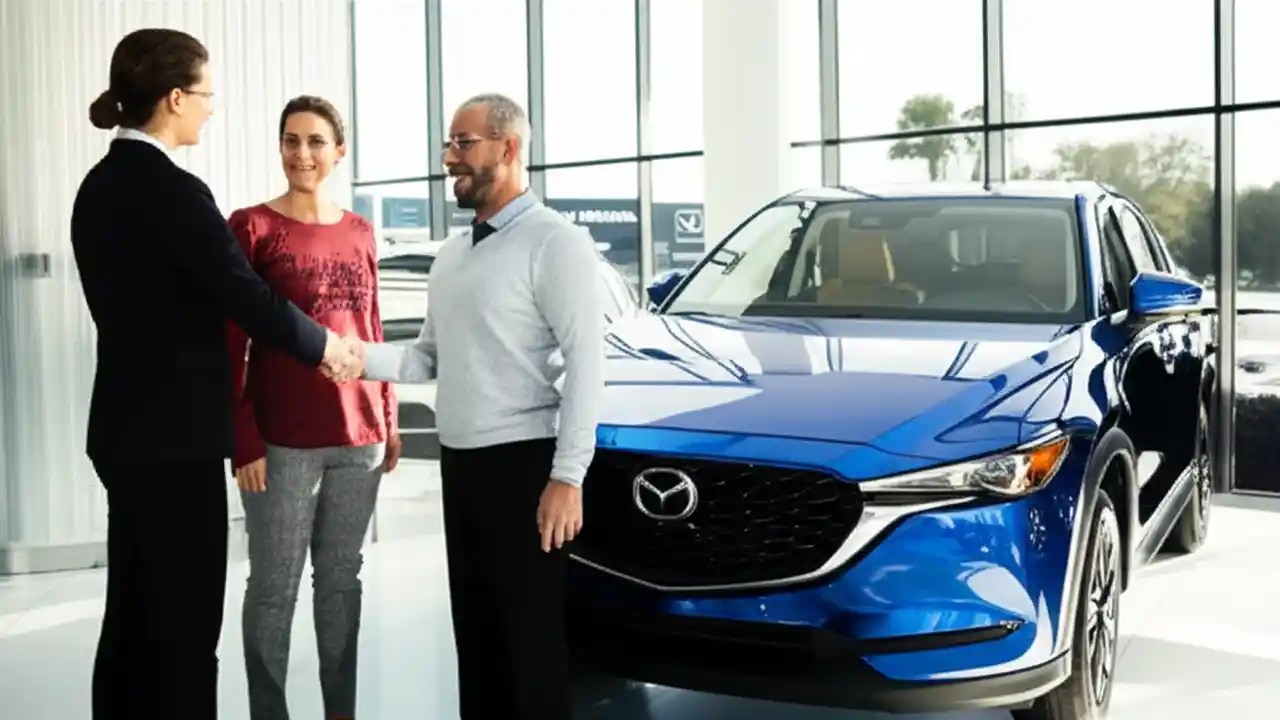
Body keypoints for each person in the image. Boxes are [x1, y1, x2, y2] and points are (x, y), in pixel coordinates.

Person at [70, 29, 363, 720]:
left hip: (124, 432)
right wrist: (326, 346)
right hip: (176, 443)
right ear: (174, 98)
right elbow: (247, 297)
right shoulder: (172, 190)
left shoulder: (98, 186)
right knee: (183, 631)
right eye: (204, 96)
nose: (210, 109)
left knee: (133, 620)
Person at [349, 93, 604, 719]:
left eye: (464, 144)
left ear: (510, 147)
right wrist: (349, 356)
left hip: (525, 470)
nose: (449, 158)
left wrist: (568, 477)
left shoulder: (556, 243)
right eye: (448, 145)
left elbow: (588, 364)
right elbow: (425, 360)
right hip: (461, 468)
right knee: (479, 643)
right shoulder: (454, 256)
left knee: (528, 650)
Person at [225, 95, 400, 720]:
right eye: (292, 140)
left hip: (361, 437)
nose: (303, 153)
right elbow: (231, 342)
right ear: (279, 147)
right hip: (281, 442)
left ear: (339, 151)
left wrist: (389, 415)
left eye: (316, 141)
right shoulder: (251, 226)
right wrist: (242, 437)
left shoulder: (359, 230)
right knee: (274, 589)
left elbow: (371, 326)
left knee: (342, 582)